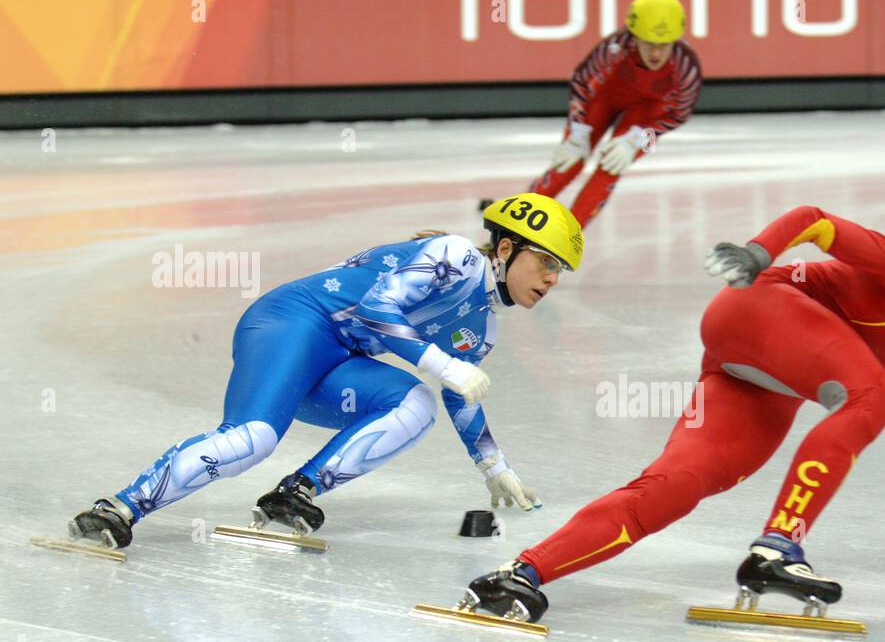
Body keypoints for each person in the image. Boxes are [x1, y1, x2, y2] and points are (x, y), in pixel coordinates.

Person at [456, 196, 885, 623]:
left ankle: (521, 574)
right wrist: (759, 253)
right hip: (757, 308)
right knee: (875, 392)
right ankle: (778, 547)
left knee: (678, 485)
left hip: (766, 377)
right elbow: (815, 219)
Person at [67, 194, 583, 550]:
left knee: (416, 404)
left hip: (337, 360)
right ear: (509, 248)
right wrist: (442, 362)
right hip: (292, 323)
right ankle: (119, 508)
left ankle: (296, 493)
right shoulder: (454, 256)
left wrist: (492, 465)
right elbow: (378, 310)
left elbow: (458, 393)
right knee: (252, 439)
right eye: (546, 263)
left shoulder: (483, 328)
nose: (552, 279)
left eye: (560, 271)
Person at [526, 0, 702, 228]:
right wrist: (577, 132)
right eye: (649, 44)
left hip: (647, 118)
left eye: (664, 45)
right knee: (568, 163)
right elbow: (580, 83)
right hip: (604, 99)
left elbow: (679, 115)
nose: (656, 54)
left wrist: (636, 140)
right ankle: (515, 219)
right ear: (634, 35)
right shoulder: (615, 47)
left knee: (612, 167)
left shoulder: (686, 64)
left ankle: (568, 238)